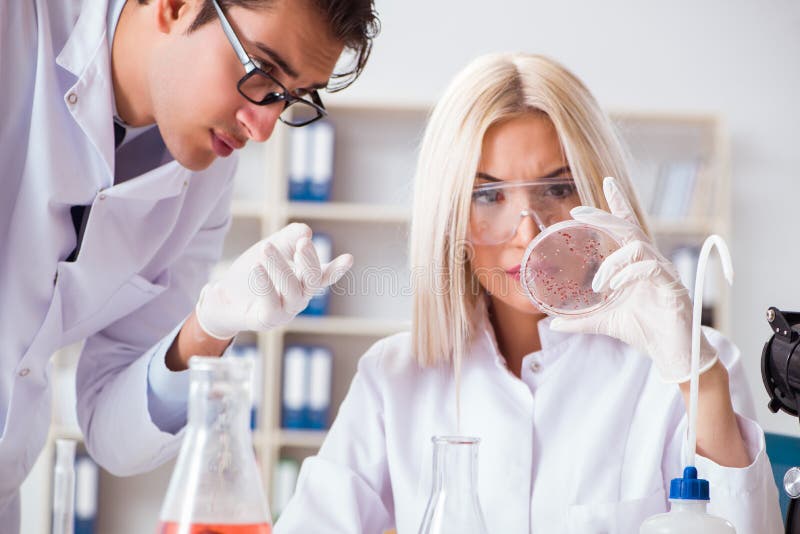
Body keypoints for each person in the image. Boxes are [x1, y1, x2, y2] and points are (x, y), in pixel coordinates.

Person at [274, 53, 783, 533]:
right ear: (448, 216)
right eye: (489, 195)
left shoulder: (688, 370)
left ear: (599, 194)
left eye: (558, 189)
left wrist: (700, 380)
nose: (526, 232)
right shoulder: (393, 377)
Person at [0, 0, 378, 530]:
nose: (265, 127)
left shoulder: (205, 178)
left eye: (291, 98)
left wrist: (212, 323)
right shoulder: (17, 28)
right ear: (175, 6)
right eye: (262, 72)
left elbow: (112, 433)